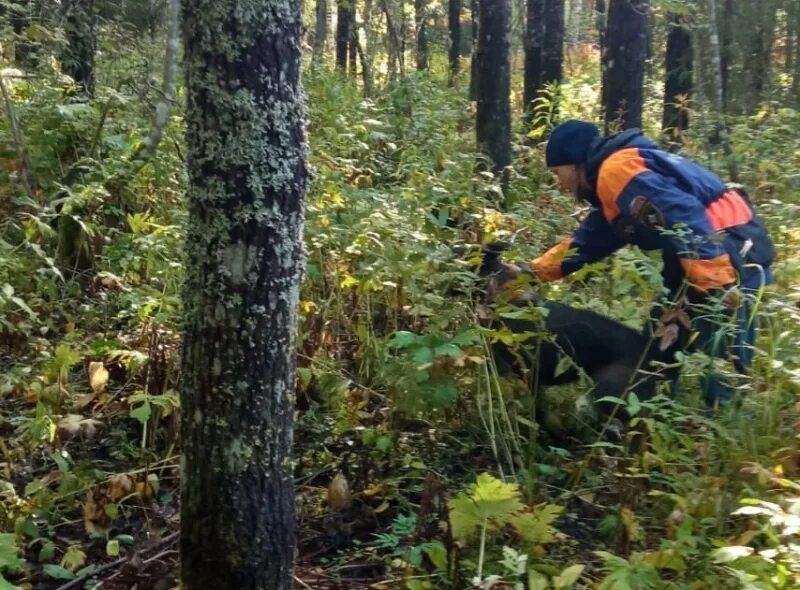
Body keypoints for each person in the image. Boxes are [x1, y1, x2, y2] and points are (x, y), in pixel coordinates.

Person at [504, 120, 775, 409]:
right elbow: (584, 245)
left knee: (722, 351)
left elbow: (685, 215)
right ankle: (650, 416)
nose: (560, 184)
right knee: (655, 346)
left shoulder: (617, 172)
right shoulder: (612, 187)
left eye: (558, 173)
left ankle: (720, 433)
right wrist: (528, 273)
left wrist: (717, 289)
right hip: (698, 259)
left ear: (575, 163)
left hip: (728, 254)